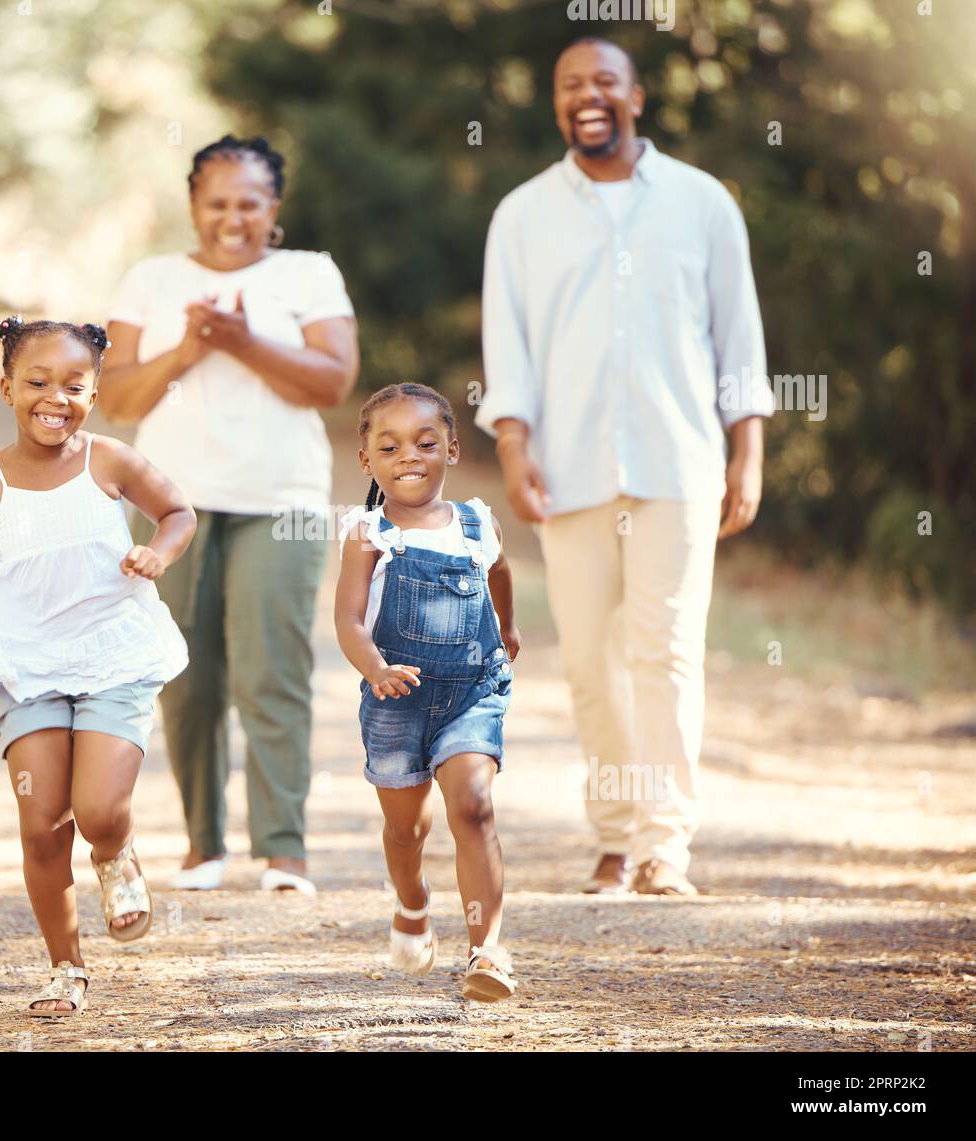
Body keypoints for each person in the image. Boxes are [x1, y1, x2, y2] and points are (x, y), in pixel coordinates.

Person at [477, 37, 775, 896]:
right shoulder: (523, 213)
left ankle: (660, 845)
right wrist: (514, 444)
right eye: (570, 84)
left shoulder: (701, 202)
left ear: (636, 96)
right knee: (589, 663)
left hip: (679, 464)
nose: (588, 95)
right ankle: (611, 834)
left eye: (604, 80)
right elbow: (511, 344)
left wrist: (746, 451)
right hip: (568, 469)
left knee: (667, 654)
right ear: (558, 104)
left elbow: (738, 335)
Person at [99, 135, 360, 895]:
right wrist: (187, 348)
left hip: (282, 502)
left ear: (272, 208)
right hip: (173, 500)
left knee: (271, 672)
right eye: (217, 202)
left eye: (249, 202)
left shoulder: (307, 273)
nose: (232, 217)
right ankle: (202, 846)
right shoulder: (151, 278)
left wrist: (244, 340)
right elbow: (114, 398)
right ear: (193, 205)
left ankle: (284, 851)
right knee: (186, 674)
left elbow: (333, 380)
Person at [0, 316, 196, 1015]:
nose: (55, 397)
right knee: (43, 822)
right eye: (37, 381)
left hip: (112, 654)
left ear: (95, 390)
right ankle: (66, 969)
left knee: (99, 808)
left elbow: (177, 512)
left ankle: (115, 850)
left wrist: (157, 554)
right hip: (26, 665)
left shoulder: (108, 460)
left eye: (74, 384)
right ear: (7, 386)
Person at [335, 383, 520, 1002]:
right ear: (367, 462)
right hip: (396, 703)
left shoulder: (477, 521)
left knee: (473, 805)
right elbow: (349, 621)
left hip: (472, 691)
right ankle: (412, 900)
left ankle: (485, 950)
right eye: (389, 447)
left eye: (425, 442)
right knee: (406, 831)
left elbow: (499, 571)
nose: (408, 455)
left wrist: (509, 625)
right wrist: (375, 668)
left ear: (452, 449)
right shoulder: (368, 533)